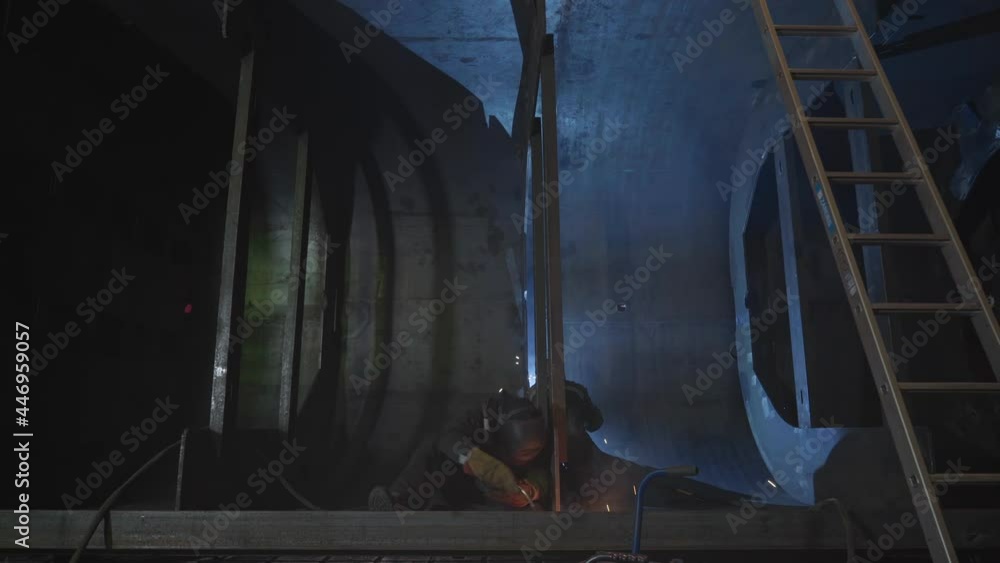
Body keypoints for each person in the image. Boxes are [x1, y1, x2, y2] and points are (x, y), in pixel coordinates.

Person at [368, 389, 550, 511]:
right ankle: (399, 501)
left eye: (532, 453)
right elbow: (447, 437)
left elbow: (548, 472)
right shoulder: (484, 418)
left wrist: (532, 490)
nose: (527, 457)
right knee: (431, 449)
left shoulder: (544, 435)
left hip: (501, 510)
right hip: (464, 490)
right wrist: (473, 458)